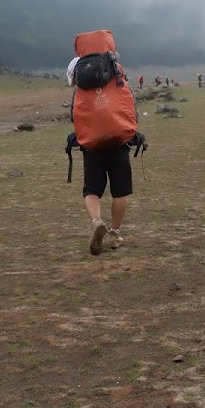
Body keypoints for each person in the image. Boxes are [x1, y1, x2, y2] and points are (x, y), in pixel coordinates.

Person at [67, 32, 137, 255]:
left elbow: (75, 102)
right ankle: (115, 234)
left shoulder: (77, 67)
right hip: (118, 139)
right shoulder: (116, 67)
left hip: (90, 141)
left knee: (92, 190)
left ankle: (97, 221)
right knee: (120, 191)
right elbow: (128, 100)